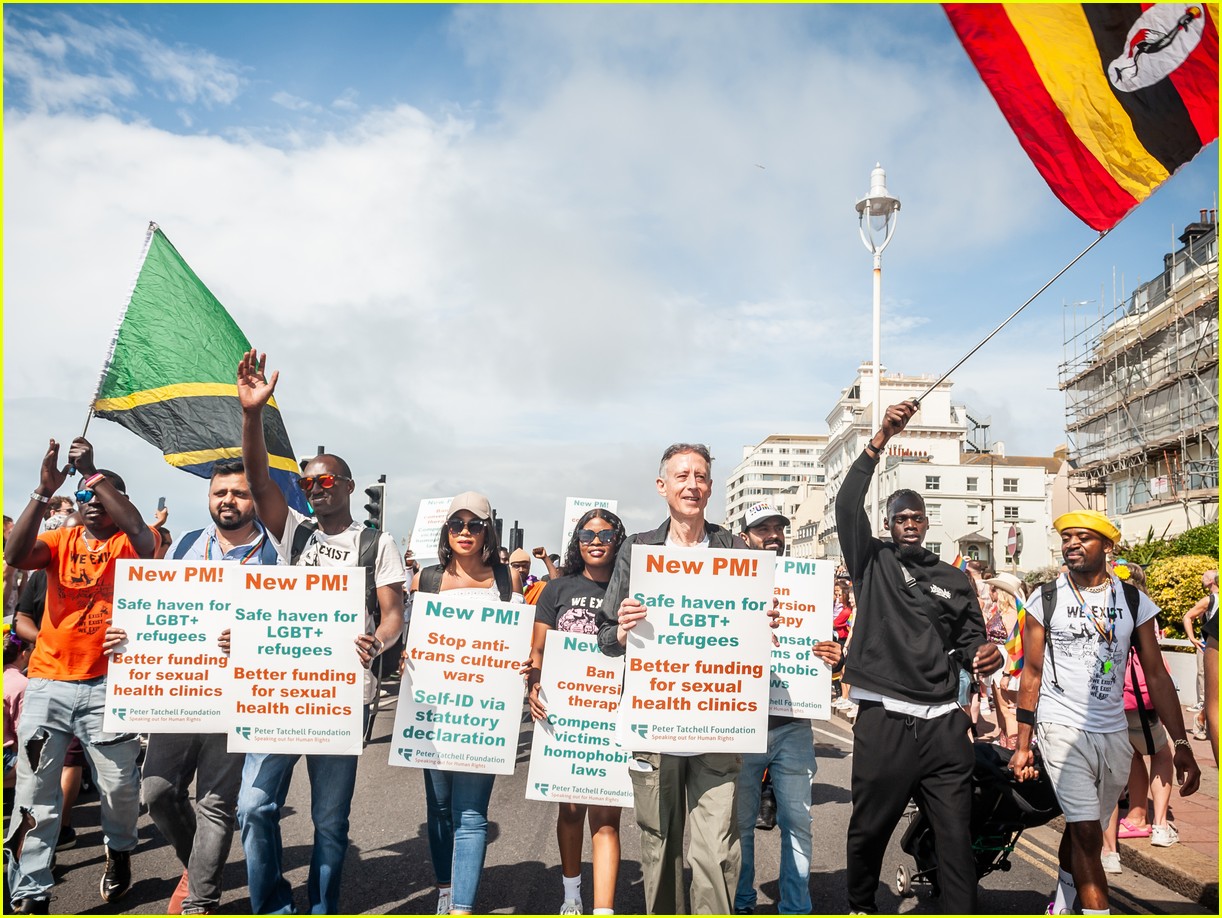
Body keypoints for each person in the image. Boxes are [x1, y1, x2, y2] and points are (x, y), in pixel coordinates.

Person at [236, 349, 406, 914]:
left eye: (328, 479)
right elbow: (259, 480)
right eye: (309, 483)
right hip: (282, 689)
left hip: (342, 694)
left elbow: (392, 616)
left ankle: (323, 908)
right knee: (255, 807)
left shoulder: (374, 544)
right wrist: (252, 415)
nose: (318, 488)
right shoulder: (294, 535)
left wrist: (376, 642)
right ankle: (272, 905)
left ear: (351, 485)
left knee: (330, 822)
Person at [834, 401, 1001, 915]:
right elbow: (846, 503)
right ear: (888, 522)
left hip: (942, 723)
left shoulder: (953, 579)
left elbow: (971, 637)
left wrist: (983, 654)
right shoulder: (872, 559)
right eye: (899, 517)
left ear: (927, 523)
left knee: (955, 835)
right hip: (884, 718)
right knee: (870, 826)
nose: (908, 523)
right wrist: (881, 436)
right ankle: (862, 903)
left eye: (916, 517)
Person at [1009, 510, 1201, 915]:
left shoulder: (1133, 600)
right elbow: (1032, 673)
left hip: (1114, 734)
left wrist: (1181, 744)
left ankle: (1060, 904)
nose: (1072, 544)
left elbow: (1157, 677)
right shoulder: (1047, 597)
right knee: (1085, 830)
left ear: (1107, 547)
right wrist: (1024, 743)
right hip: (1061, 728)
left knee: (1088, 831)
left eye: (1083, 537)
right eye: (1067, 538)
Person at [3, 438, 156, 913]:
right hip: (49, 682)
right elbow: (14, 554)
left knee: (119, 787)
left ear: (118, 498)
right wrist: (42, 491)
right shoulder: (60, 540)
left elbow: (146, 538)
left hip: (110, 686)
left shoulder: (131, 542)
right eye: (85, 496)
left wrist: (93, 474)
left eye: (101, 494)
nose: (91, 502)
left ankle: (121, 850)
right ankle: (30, 891)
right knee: (33, 792)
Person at [596, 442, 747, 915]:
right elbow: (604, 635)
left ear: (710, 486)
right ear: (663, 487)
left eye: (700, 476)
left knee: (716, 851)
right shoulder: (637, 550)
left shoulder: (734, 549)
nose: (692, 485)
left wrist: (766, 619)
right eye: (682, 476)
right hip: (654, 726)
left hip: (717, 724)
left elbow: (752, 625)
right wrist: (620, 628)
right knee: (660, 848)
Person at [137, 459, 280, 914]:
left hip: (238, 697)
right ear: (209, 497)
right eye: (220, 493)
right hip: (180, 690)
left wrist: (251, 635)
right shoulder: (184, 546)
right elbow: (153, 610)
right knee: (156, 793)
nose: (228, 501)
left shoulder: (277, 553)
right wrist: (127, 635)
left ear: (254, 498)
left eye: (239, 493)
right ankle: (195, 865)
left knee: (216, 804)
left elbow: (291, 625)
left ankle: (201, 900)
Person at [412, 491, 523, 915]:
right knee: (439, 810)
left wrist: (521, 667)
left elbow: (514, 640)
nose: (464, 532)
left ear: (487, 530)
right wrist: (409, 656)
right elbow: (418, 637)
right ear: (446, 530)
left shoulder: (506, 580)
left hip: (484, 716)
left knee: (472, 814)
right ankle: (444, 889)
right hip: (436, 712)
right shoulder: (429, 579)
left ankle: (461, 907)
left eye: (473, 525)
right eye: (456, 524)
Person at [733, 502, 841, 916]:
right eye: (763, 528)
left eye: (779, 526)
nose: (773, 534)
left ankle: (796, 908)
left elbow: (822, 643)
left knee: (799, 823)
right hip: (743, 727)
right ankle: (742, 903)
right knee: (741, 826)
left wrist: (836, 654)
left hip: (792, 725)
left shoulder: (807, 584)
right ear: (746, 536)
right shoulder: (732, 581)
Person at [527, 508, 627, 916]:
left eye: (605, 534)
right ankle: (572, 897)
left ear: (618, 540)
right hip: (565, 714)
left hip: (612, 713)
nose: (596, 540)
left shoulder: (632, 588)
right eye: (587, 534)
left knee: (606, 817)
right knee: (569, 811)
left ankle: (603, 909)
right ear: (577, 541)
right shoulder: (557, 589)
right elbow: (537, 651)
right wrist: (532, 685)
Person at [983, 572, 1024, 749]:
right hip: (997, 664)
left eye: (993, 588)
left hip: (1007, 663)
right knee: (1000, 709)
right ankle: (1004, 742)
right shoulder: (1000, 611)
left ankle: (1012, 748)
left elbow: (1015, 645)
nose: (990, 592)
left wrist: (1007, 673)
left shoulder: (1011, 612)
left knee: (1008, 710)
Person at [1182, 570, 1217, 741]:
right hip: (1210, 646)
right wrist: (1193, 638)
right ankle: (1202, 719)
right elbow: (1188, 616)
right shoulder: (1211, 599)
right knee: (1212, 689)